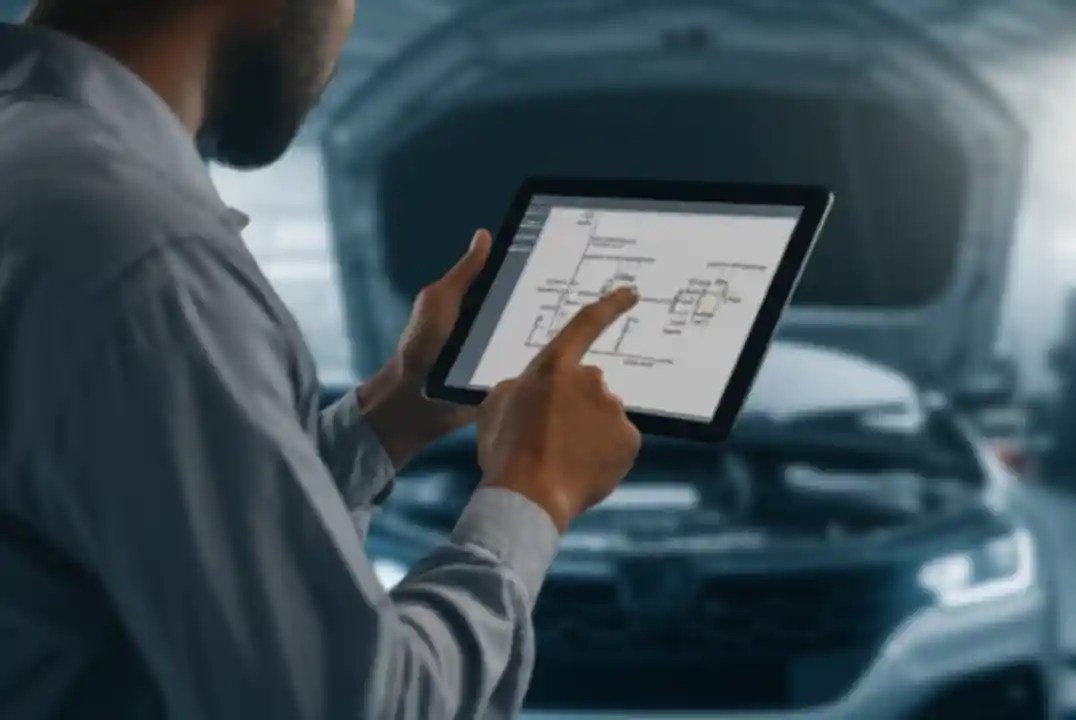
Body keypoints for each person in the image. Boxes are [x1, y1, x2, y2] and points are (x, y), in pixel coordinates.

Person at [0, 1, 642, 718]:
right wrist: (533, 492)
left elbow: (177, 528)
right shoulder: (144, 255)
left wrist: (391, 416)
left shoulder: (32, 158)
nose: (342, 31)